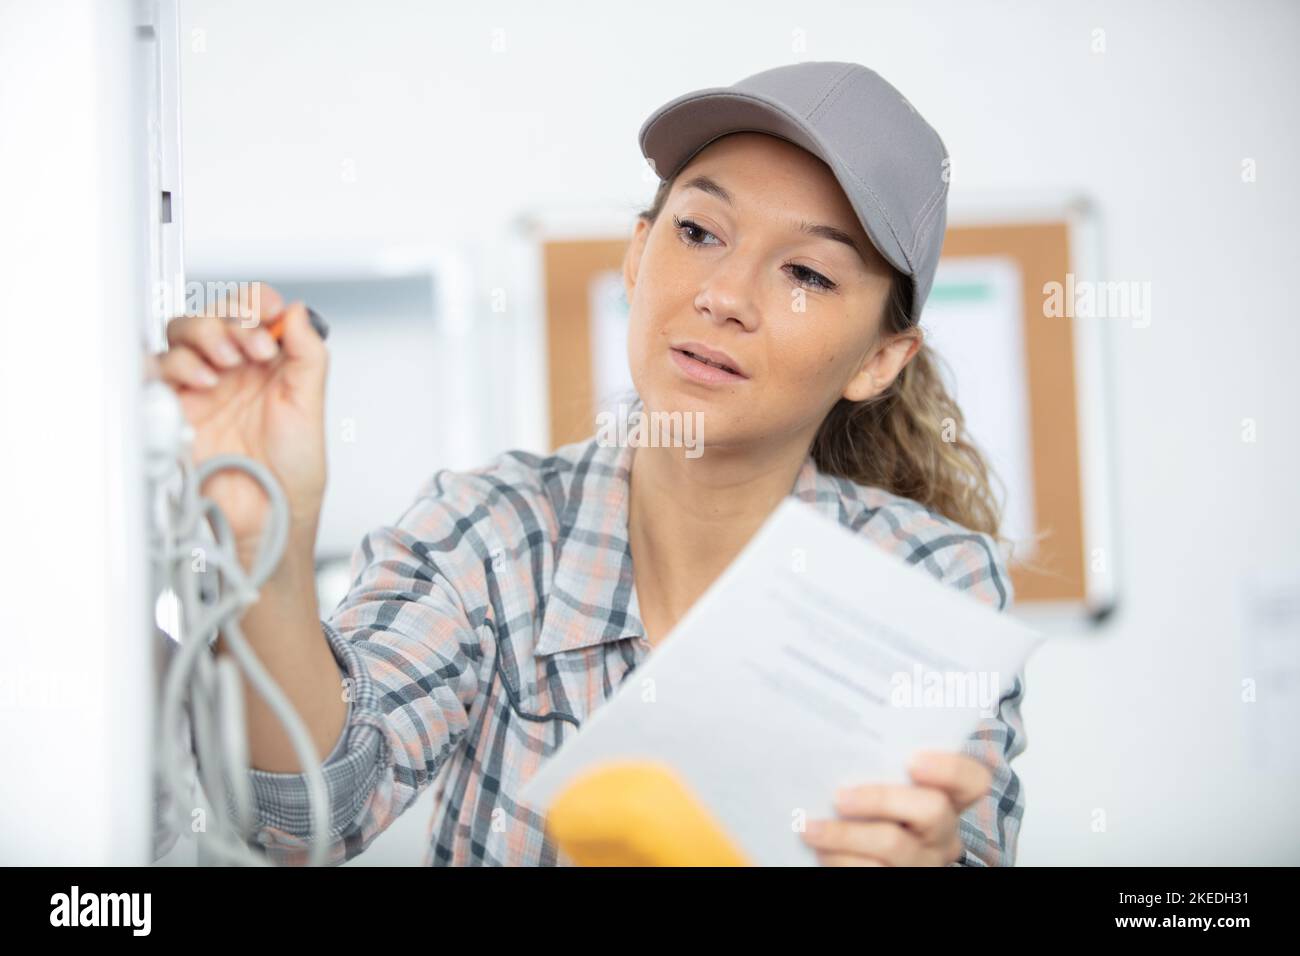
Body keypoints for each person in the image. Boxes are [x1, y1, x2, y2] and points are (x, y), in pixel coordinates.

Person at [159, 61, 1027, 866]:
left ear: (880, 360)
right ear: (636, 256)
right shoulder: (488, 531)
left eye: (805, 272)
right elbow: (304, 820)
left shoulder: (931, 581)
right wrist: (262, 543)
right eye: (697, 230)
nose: (722, 295)